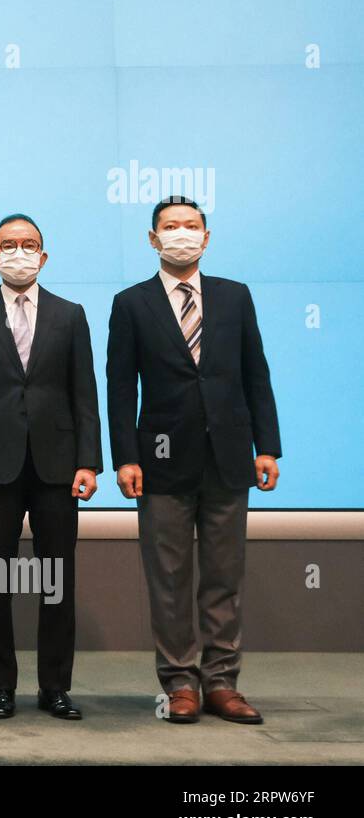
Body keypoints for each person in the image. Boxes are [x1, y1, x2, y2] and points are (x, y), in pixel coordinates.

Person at [107, 196, 281, 724]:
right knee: (169, 576)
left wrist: (267, 445)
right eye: (169, 226)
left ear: (206, 238)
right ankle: (180, 681)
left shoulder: (235, 297)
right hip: (161, 462)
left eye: (190, 226)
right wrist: (126, 457)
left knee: (224, 575)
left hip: (229, 457)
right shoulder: (131, 302)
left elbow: (256, 373)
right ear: (152, 238)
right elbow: (120, 387)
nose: (181, 233)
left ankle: (222, 681)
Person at [0, 214, 101, 720]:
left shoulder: (71, 314)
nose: (19, 252)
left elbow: (86, 394)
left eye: (28, 244)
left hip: (59, 467)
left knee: (58, 578)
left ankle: (55, 686)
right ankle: (1, 687)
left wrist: (89, 461)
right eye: (8, 246)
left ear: (44, 255)